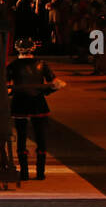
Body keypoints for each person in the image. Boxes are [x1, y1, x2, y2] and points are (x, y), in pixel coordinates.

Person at [6, 36, 63, 180]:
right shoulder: (42, 64)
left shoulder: (13, 66)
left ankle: (24, 172)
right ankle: (40, 172)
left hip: (20, 102)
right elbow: (55, 83)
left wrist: (13, 92)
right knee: (41, 137)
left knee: (21, 136)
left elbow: (6, 88)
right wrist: (44, 92)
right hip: (38, 102)